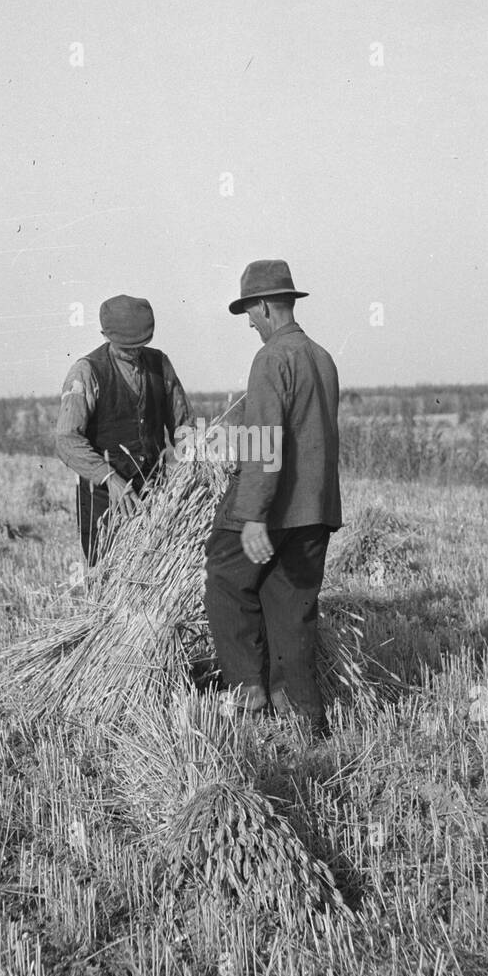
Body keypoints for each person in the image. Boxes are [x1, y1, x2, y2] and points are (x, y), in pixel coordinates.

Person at [204, 260, 342, 735]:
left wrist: (253, 516)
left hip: (276, 508)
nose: (249, 322)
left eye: (249, 311)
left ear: (264, 306)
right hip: (317, 509)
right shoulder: (322, 356)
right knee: (291, 606)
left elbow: (264, 442)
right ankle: (303, 716)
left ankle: (249, 694)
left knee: (224, 576)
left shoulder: (271, 359)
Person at [55, 294, 192, 564]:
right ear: (105, 335)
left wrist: (186, 465)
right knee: (109, 580)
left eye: (139, 345)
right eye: (125, 347)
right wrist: (110, 478)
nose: (133, 352)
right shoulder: (86, 372)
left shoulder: (160, 364)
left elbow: (184, 425)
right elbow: (66, 440)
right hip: (104, 500)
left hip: (154, 494)